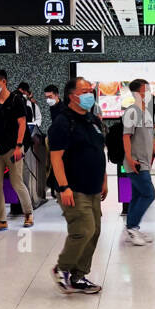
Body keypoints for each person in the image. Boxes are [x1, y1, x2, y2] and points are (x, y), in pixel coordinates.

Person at [48, 77, 107, 294]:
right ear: (72, 96)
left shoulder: (92, 120)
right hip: (73, 188)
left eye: (91, 90)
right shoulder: (63, 122)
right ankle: (61, 268)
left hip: (93, 187)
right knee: (83, 230)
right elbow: (56, 157)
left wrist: (104, 180)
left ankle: (78, 276)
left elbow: (99, 151)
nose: (90, 93)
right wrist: (64, 187)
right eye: (85, 91)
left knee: (95, 231)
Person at [0, 70, 34, 231]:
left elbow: (22, 124)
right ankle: (0, 220)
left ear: (3, 81)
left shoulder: (16, 100)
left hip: (13, 149)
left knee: (16, 182)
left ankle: (28, 213)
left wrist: (19, 146)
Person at [122, 78, 155, 246]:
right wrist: (129, 159)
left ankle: (133, 227)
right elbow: (126, 136)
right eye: (146, 89)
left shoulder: (146, 111)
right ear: (137, 93)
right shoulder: (132, 111)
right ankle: (132, 228)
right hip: (136, 162)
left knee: (137, 195)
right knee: (149, 194)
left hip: (145, 161)